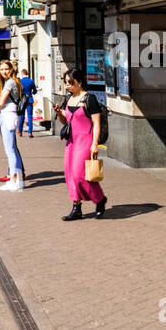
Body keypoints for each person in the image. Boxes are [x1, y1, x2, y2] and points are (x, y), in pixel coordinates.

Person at [54, 69, 107, 220]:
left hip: (85, 140)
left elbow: (96, 123)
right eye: (66, 82)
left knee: (79, 174)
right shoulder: (68, 98)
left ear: (79, 82)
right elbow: (66, 120)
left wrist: (95, 144)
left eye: (70, 82)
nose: (68, 86)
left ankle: (99, 198)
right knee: (70, 174)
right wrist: (59, 112)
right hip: (71, 141)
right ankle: (76, 207)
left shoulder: (90, 99)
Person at [0, 61, 25, 191]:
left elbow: (2, 100)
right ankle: (19, 180)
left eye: (6, 69)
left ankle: (13, 181)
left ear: (11, 69)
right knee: (13, 149)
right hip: (11, 115)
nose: (4, 72)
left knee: (10, 150)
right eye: (1, 69)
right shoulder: (15, 81)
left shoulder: (10, 82)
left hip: (7, 115)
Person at [16, 68, 36, 137]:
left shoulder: (20, 81)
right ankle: (30, 132)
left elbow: (17, 91)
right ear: (27, 73)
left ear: (22, 74)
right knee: (30, 116)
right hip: (29, 99)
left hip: (22, 100)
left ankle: (20, 131)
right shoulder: (31, 81)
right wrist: (31, 92)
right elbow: (35, 91)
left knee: (22, 116)